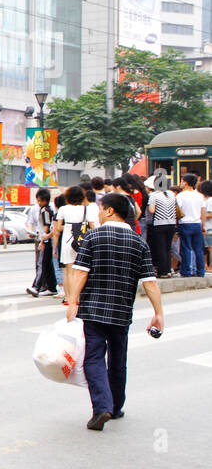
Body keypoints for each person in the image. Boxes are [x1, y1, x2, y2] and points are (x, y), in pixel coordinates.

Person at [64, 192, 164, 431]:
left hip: (94, 310)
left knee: (94, 359)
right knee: (118, 360)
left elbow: (80, 272)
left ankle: (102, 408)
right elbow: (150, 282)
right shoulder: (139, 242)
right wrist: (158, 314)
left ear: (110, 211)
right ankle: (116, 407)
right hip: (121, 312)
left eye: (101, 208)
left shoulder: (93, 237)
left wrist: (73, 302)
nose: (98, 212)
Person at [53, 185, 90, 282]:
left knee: (68, 272)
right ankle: (77, 296)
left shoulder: (63, 209)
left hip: (67, 240)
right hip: (81, 241)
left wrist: (69, 226)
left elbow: (58, 228)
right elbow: (91, 226)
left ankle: (69, 296)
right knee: (80, 270)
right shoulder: (86, 209)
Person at [26, 188, 57, 297]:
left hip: (45, 239)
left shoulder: (45, 211)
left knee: (42, 264)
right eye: (37, 201)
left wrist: (43, 241)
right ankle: (52, 287)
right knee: (47, 265)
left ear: (45, 200)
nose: (38, 203)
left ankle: (36, 286)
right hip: (46, 239)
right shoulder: (47, 209)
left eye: (40, 201)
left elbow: (46, 227)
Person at [146, 175, 178, 279]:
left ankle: (162, 271)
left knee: (160, 248)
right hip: (171, 223)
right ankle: (168, 270)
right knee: (168, 248)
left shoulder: (154, 195)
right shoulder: (171, 194)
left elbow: (152, 210)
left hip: (159, 224)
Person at [175, 173, 207, 277]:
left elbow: (177, 212)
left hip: (185, 224)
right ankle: (200, 271)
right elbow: (203, 211)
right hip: (197, 223)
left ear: (186, 182)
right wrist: (203, 225)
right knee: (198, 249)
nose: (181, 183)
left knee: (186, 248)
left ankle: (186, 271)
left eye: (182, 181)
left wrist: (176, 223)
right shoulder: (199, 195)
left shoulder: (180, 196)